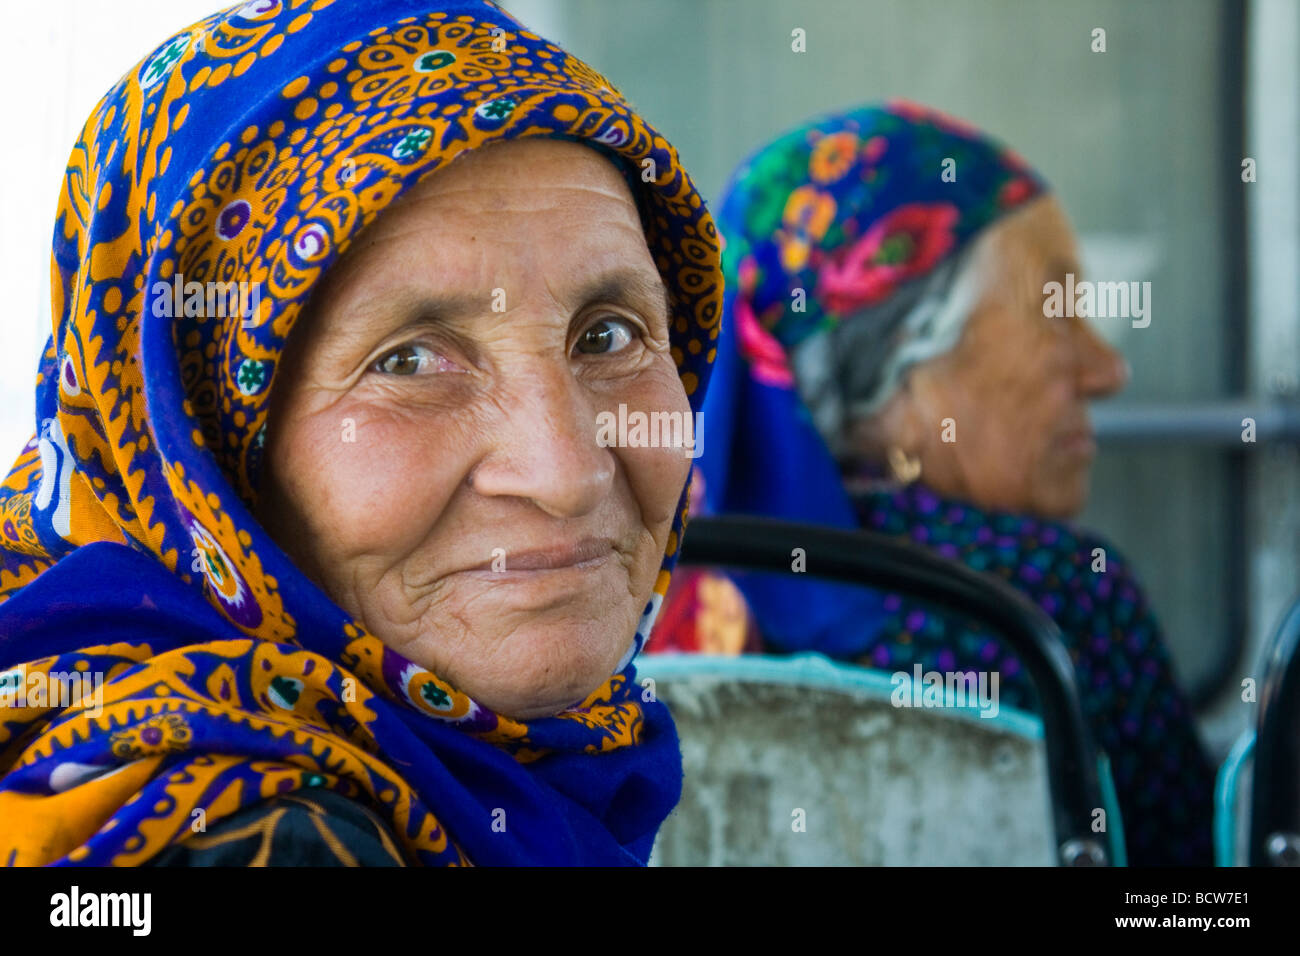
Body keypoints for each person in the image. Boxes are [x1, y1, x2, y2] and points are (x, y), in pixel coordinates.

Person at [0, 0, 722, 866]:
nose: (564, 471)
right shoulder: (257, 837)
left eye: (608, 335)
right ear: (202, 442)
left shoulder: (543, 771)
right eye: (409, 361)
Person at [654, 101, 1215, 866]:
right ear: (901, 369)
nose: (1106, 370)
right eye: (1055, 311)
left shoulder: (644, 584)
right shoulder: (1061, 598)